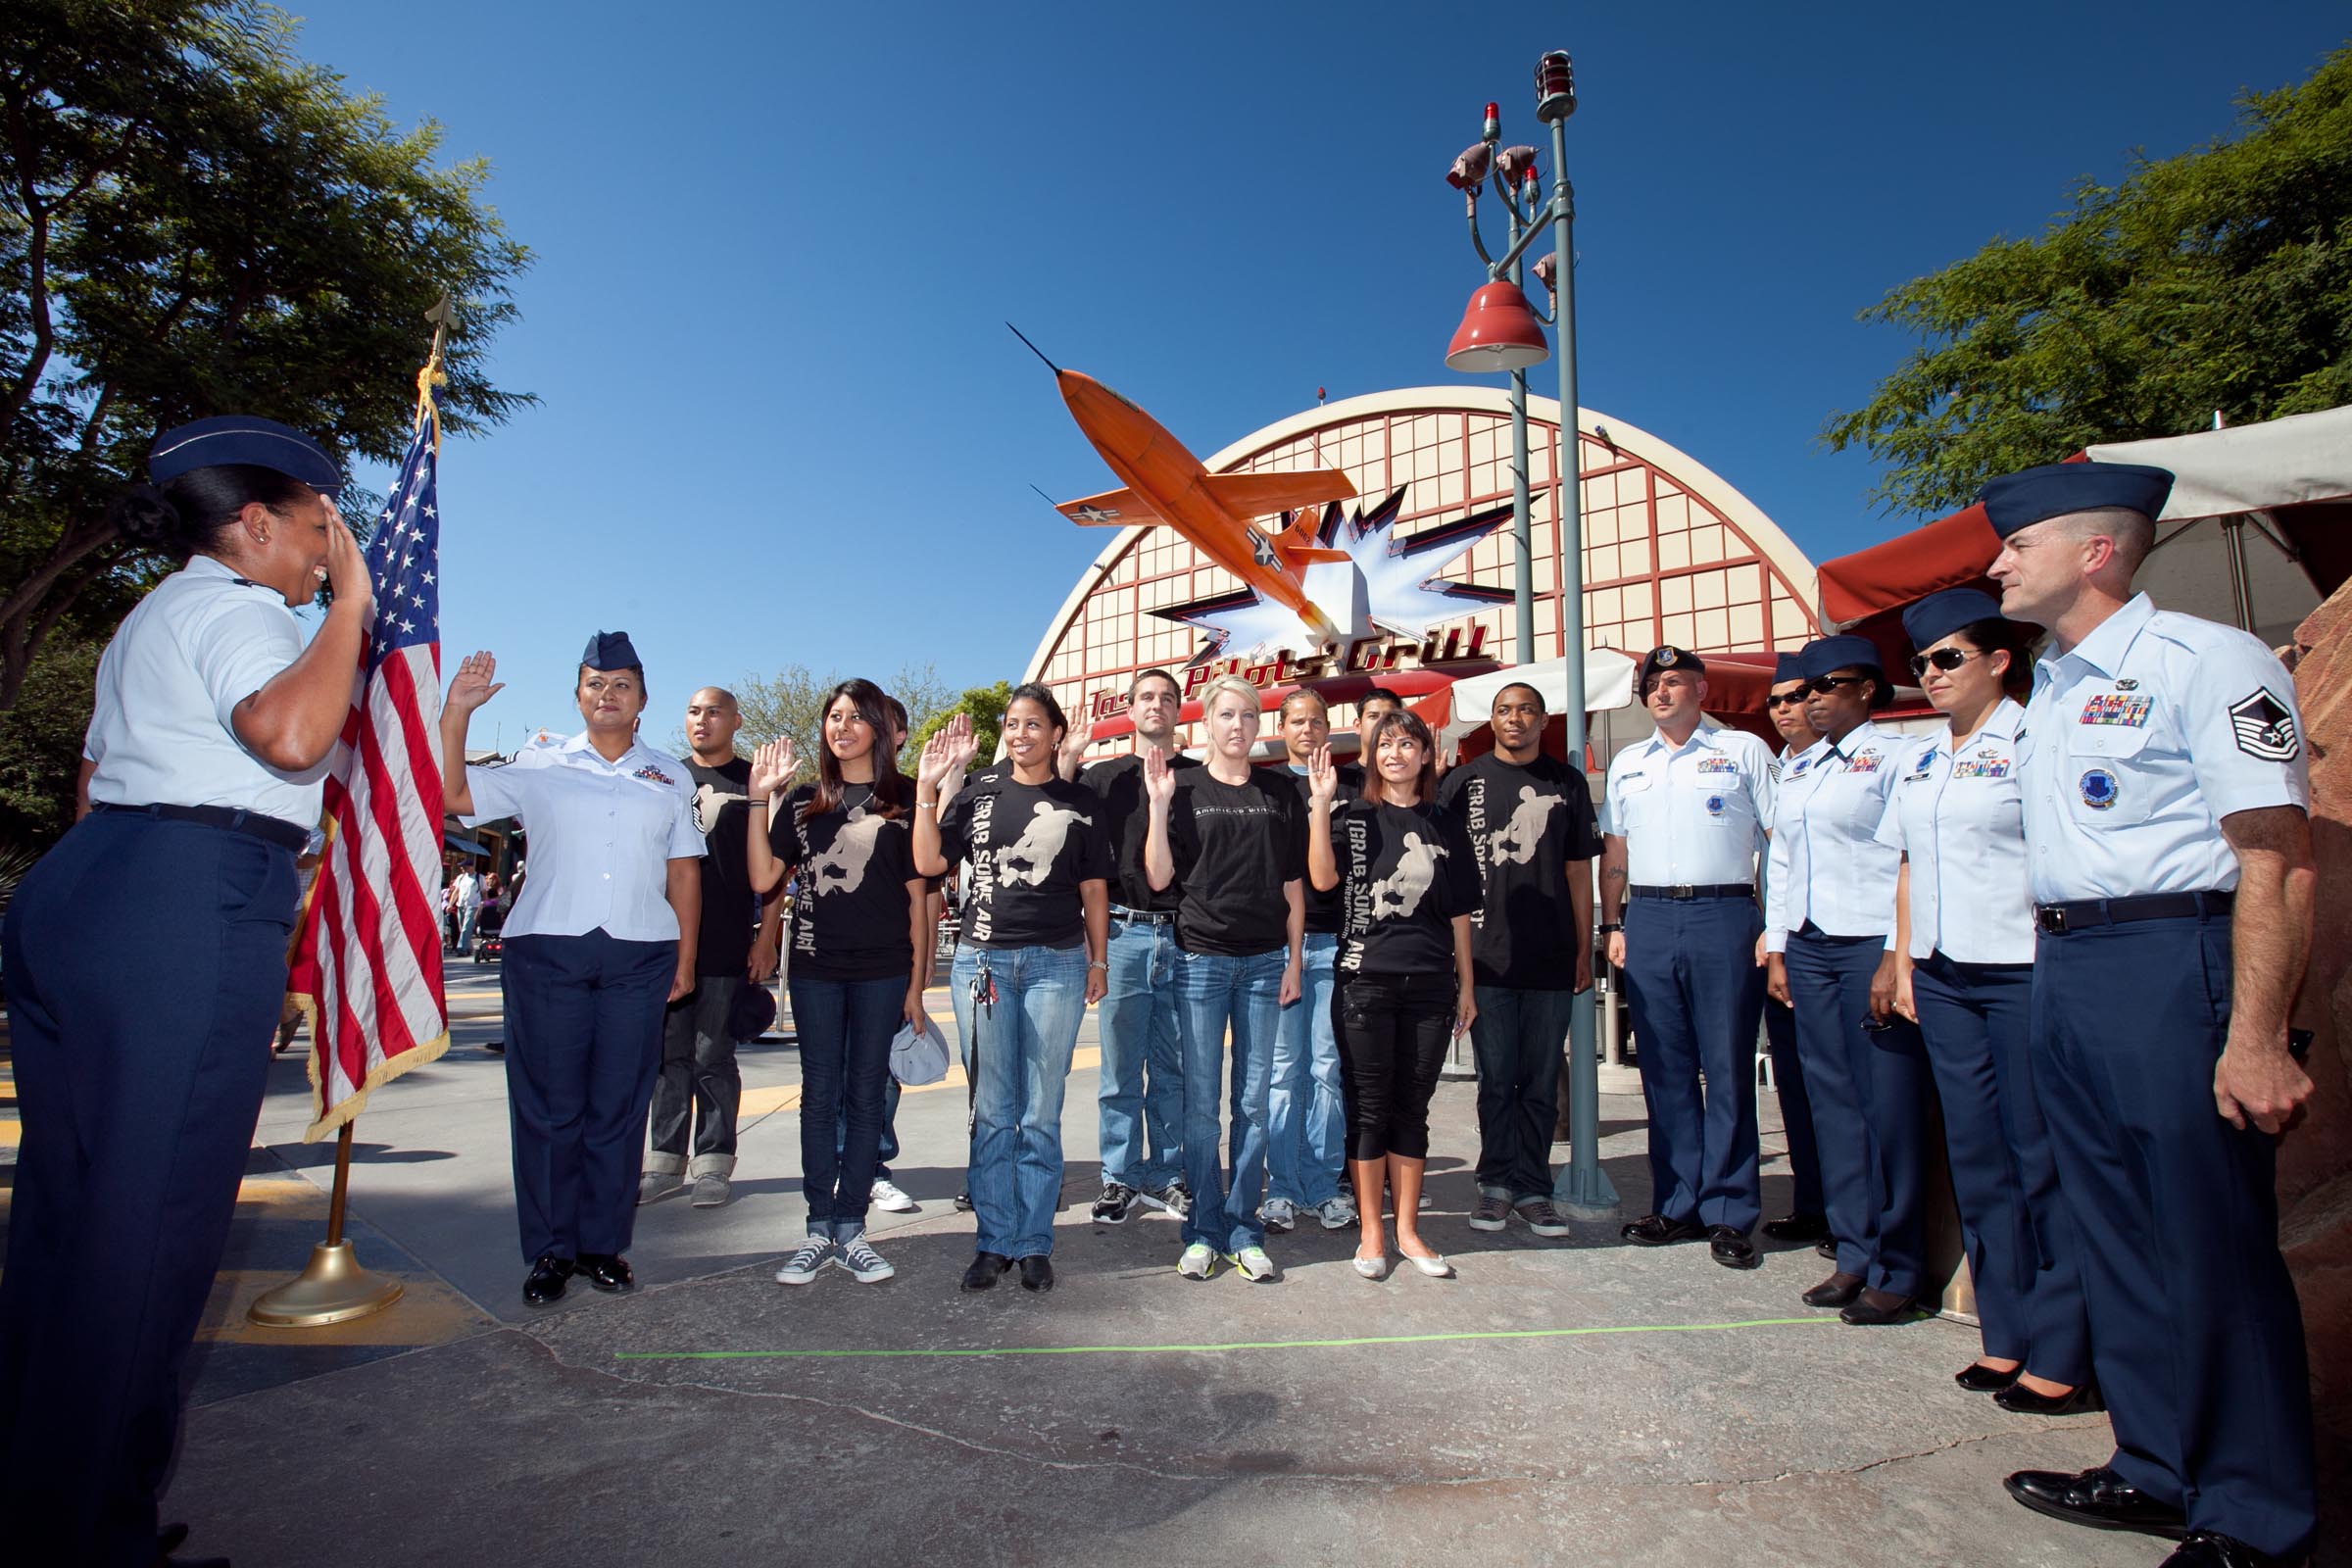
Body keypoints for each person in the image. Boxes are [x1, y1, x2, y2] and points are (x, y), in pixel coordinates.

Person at [0, 416, 366, 1568]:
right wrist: (351, 607)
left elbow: (92, 780)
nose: (327, 552)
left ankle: (39, 1502)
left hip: (102, 880)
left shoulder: (155, 614)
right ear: (255, 524)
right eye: (318, 528)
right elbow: (292, 735)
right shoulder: (242, 609)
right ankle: (89, 1538)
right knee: (147, 1230)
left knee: (69, 1219)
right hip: (188, 892)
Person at [1979, 463, 2318, 1568]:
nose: (1997, 563)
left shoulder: (2207, 660)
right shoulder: (2054, 685)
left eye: (2017, 544)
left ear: (2095, 552)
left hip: (2174, 961)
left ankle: (2256, 1516)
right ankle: (2158, 1465)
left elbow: (2277, 856)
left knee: (2209, 1242)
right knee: (2115, 1232)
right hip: (2068, 964)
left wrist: (2256, 1035)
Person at [1878, 589, 2091, 1413]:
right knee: (1978, 1159)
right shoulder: (1923, 757)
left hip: (2022, 970)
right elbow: (1907, 865)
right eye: (1920, 663)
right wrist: (1904, 962)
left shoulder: (2036, 740)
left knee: (2041, 1159)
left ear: (2000, 662)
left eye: (1947, 658)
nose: (1930, 674)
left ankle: (2062, 1349)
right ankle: (2006, 1334)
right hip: (1945, 976)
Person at [443, 633, 705, 1307]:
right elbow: (452, 793)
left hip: (640, 953)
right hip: (548, 951)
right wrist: (458, 712)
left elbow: (683, 871)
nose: (607, 694)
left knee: (619, 1104)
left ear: (642, 699)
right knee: (549, 1107)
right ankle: (551, 1250)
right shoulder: (539, 761)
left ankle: (601, 1245)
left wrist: (686, 958)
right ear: (578, 695)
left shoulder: (670, 776)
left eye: (621, 685)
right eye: (595, 683)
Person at [915, 693, 1111, 1293]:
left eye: (1033, 724)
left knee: (1041, 1111)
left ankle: (1034, 1243)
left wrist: (1098, 959)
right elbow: (929, 861)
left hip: (1057, 964)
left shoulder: (1079, 801)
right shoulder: (978, 790)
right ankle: (994, 1240)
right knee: (994, 1110)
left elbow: (1094, 888)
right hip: (984, 964)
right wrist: (928, 788)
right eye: (1012, 724)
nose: (1020, 733)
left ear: (1056, 734)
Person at [1764, 634, 1934, 1326]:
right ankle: (1855, 1251)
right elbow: (1782, 863)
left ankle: (1901, 1265)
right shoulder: (1799, 769)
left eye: (1825, 686)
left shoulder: (1899, 756)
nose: (1811, 700)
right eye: (1804, 690)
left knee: (1887, 1107)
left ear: (1866, 688)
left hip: (1870, 942)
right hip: (1810, 945)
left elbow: (1913, 858)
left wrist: (1897, 953)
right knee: (1831, 1102)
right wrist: (1779, 948)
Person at [1598, 649, 1777, 1269]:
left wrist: (1774, 924)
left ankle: (1729, 1210)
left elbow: (1779, 840)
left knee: (1726, 1066)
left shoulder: (1744, 751)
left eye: (1673, 681)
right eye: (1652, 684)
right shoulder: (1629, 763)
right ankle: (1677, 1203)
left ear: (1701, 689)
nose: (1661, 692)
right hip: (1649, 917)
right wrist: (1613, 923)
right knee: (1664, 1069)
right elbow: (1615, 850)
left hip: (1724, 913)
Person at [747, 679, 928, 1286]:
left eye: (855, 717)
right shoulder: (805, 800)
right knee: (819, 1096)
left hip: (883, 970)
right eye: (833, 717)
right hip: (816, 969)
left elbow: (918, 899)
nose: (842, 727)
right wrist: (759, 799)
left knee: (866, 1095)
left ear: (878, 726)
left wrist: (915, 987)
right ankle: (818, 1226)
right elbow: (763, 876)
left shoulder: (906, 798)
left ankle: (851, 1227)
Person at [1305, 710, 1481, 1281]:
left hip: (1431, 984)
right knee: (1369, 1108)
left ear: (1425, 755)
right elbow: (1322, 880)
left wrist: (1466, 986)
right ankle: (1371, 1232)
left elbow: (1459, 913)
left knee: (1413, 1108)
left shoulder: (1445, 822)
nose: (1396, 754)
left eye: (1408, 744)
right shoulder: (1353, 816)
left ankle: (1407, 1230)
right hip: (1365, 981)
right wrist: (1319, 805)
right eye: (1386, 744)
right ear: (1372, 755)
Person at [1143, 674, 1306, 1281]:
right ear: (1207, 723)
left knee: (1253, 1104)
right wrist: (1158, 806)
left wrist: (1293, 960)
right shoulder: (1181, 788)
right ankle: (1203, 1229)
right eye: (1227, 715)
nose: (1238, 726)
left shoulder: (1280, 792)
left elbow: (1293, 886)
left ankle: (1243, 1228)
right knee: (1201, 1106)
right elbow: (1158, 878)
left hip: (1265, 964)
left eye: (1248, 715)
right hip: (1201, 961)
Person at [1439, 680, 1598, 1240]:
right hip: (1486, 960)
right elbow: (1442, 871)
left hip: (1552, 957)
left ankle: (1534, 1188)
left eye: (1526, 710)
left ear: (1542, 720)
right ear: (1492, 720)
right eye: (1504, 710)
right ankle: (1495, 1185)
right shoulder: (1462, 782)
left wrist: (1585, 947)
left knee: (1539, 1081)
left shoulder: (1566, 783)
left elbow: (1579, 871)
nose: (1515, 719)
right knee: (1495, 1079)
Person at [1064, 668, 1195, 1225]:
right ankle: (1118, 1177)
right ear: (1130, 709)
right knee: (1119, 1070)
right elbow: (1060, 822)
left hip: (1185, 937)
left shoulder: (1199, 778)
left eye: (1166, 698)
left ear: (1178, 710)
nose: (1156, 705)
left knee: (1173, 1068)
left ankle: (1167, 1175)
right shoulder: (1101, 779)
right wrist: (1069, 757)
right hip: (1121, 934)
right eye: (1145, 697)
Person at [640, 687, 771, 1209]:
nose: (702, 720)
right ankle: (663, 1162)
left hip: (726, 941)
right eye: (694, 711)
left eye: (714, 712)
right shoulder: (664, 778)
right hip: (663, 940)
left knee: (713, 1054)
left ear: (735, 721)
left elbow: (775, 870)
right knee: (668, 1055)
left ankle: (714, 1162)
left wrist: (766, 938)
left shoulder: (755, 782)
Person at [1264, 688, 1355, 1232]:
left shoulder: (1352, 786)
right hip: (1278, 947)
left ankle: (1322, 1183)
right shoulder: (1269, 788)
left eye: (1316, 720)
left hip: (1333, 942)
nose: (1307, 729)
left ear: (1328, 726)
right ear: (1282, 729)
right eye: (1297, 721)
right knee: (1282, 1070)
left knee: (1326, 1068)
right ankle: (1281, 1184)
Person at [1757, 654, 1829, 1246]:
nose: (1784, 709)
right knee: (1796, 1083)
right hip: (1781, 946)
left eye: (1796, 697)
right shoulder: (1779, 770)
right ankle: (1813, 1202)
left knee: (1843, 1088)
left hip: (1841, 945)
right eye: (1775, 701)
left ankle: (1856, 1217)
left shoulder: (1858, 762)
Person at [1335, 685, 1404, 791]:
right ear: (1358, 726)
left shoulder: (1411, 776)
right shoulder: (1337, 780)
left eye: (1389, 717)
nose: (1381, 722)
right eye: (1373, 716)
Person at [453, 860, 484, 953]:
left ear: (471, 867)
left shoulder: (479, 878)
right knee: (462, 928)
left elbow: (484, 892)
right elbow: (456, 891)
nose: (462, 868)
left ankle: (461, 949)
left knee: (466, 928)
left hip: (473, 906)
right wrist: (450, 904)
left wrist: (484, 905)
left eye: (464, 866)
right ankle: (468, 947)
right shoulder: (461, 877)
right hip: (461, 905)